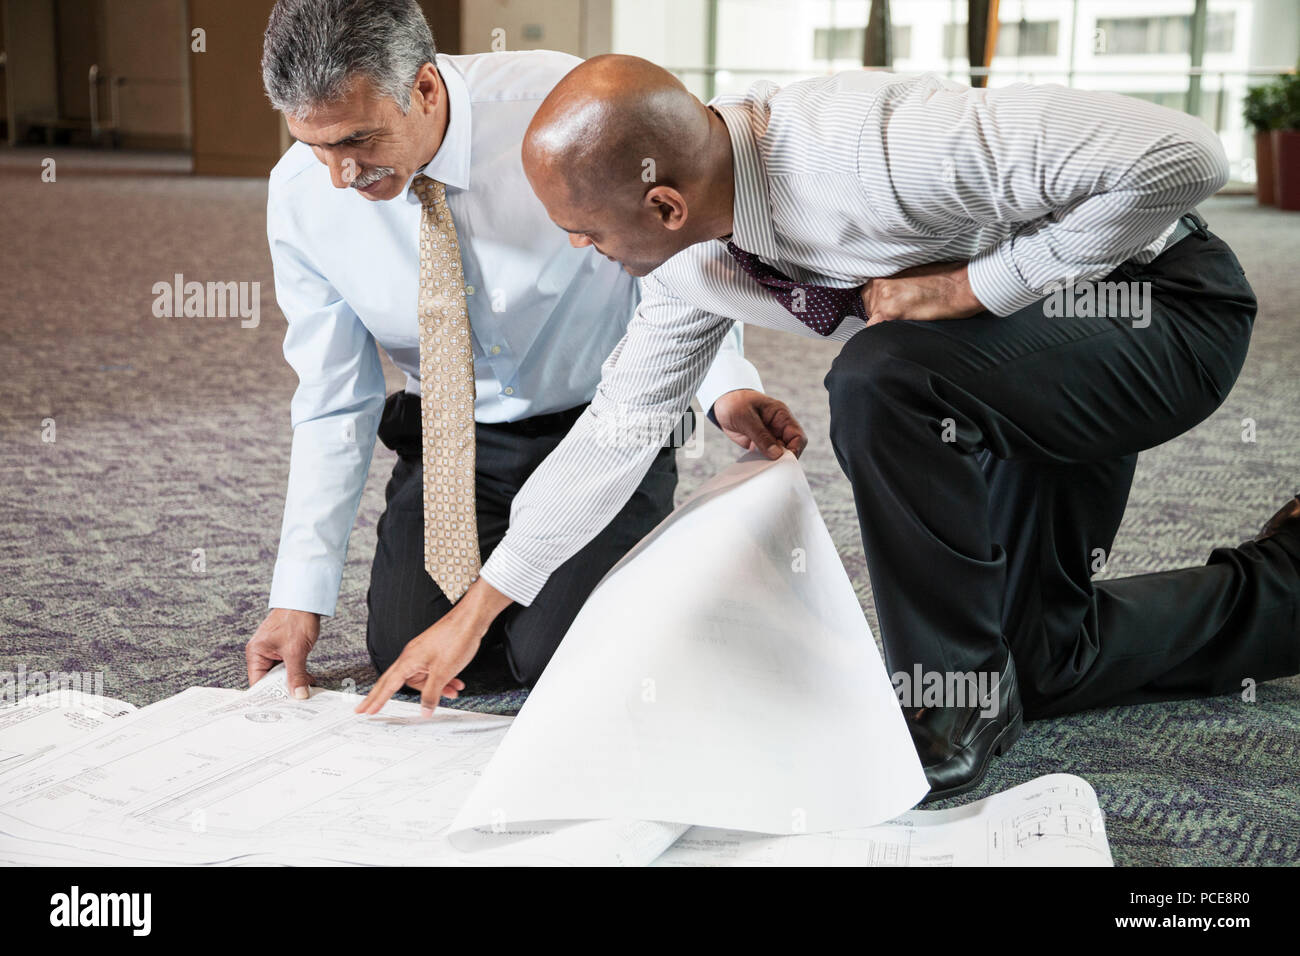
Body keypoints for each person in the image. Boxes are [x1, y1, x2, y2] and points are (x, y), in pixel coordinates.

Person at [358, 53, 1300, 804]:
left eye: (585, 232)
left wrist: (976, 286)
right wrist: (480, 608)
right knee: (1042, 663)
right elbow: (620, 430)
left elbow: (1187, 157)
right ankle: (1288, 590)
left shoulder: (878, 145)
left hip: (1157, 311)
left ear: (664, 205)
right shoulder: (691, 263)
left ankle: (944, 706)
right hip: (1005, 375)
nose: (577, 249)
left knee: (880, 379)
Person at [244, 5, 805, 702]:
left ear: (424, 88)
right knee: (404, 647)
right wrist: (298, 596)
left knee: (556, 654)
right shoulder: (300, 197)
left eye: (358, 139)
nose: (339, 174)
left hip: (601, 424)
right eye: (314, 145)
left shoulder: (562, 113)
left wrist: (723, 386)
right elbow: (333, 400)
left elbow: (674, 251)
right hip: (449, 446)